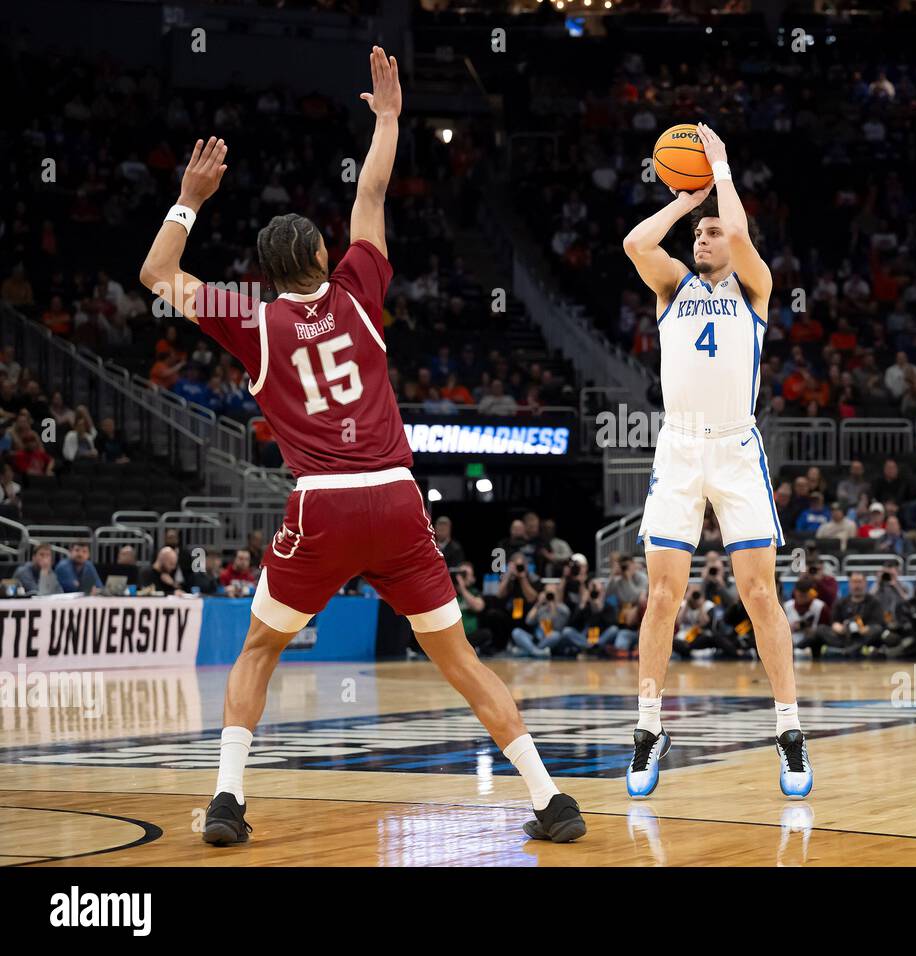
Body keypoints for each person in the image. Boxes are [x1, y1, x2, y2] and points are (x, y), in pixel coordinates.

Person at [137, 50, 584, 846]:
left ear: (268, 278)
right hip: (397, 498)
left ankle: (229, 804)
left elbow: (156, 272)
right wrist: (387, 119)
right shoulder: (360, 289)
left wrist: (187, 199)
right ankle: (553, 801)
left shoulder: (252, 320)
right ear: (320, 257)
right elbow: (372, 191)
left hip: (324, 507)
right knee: (460, 664)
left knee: (259, 651)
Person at [621, 122, 809, 798]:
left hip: (734, 446)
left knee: (760, 593)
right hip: (678, 447)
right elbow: (636, 243)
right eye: (698, 233)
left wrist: (723, 172)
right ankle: (648, 731)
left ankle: (788, 732)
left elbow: (742, 237)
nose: (704, 237)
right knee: (663, 598)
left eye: (712, 231)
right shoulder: (671, 287)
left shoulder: (753, 288)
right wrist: (683, 197)